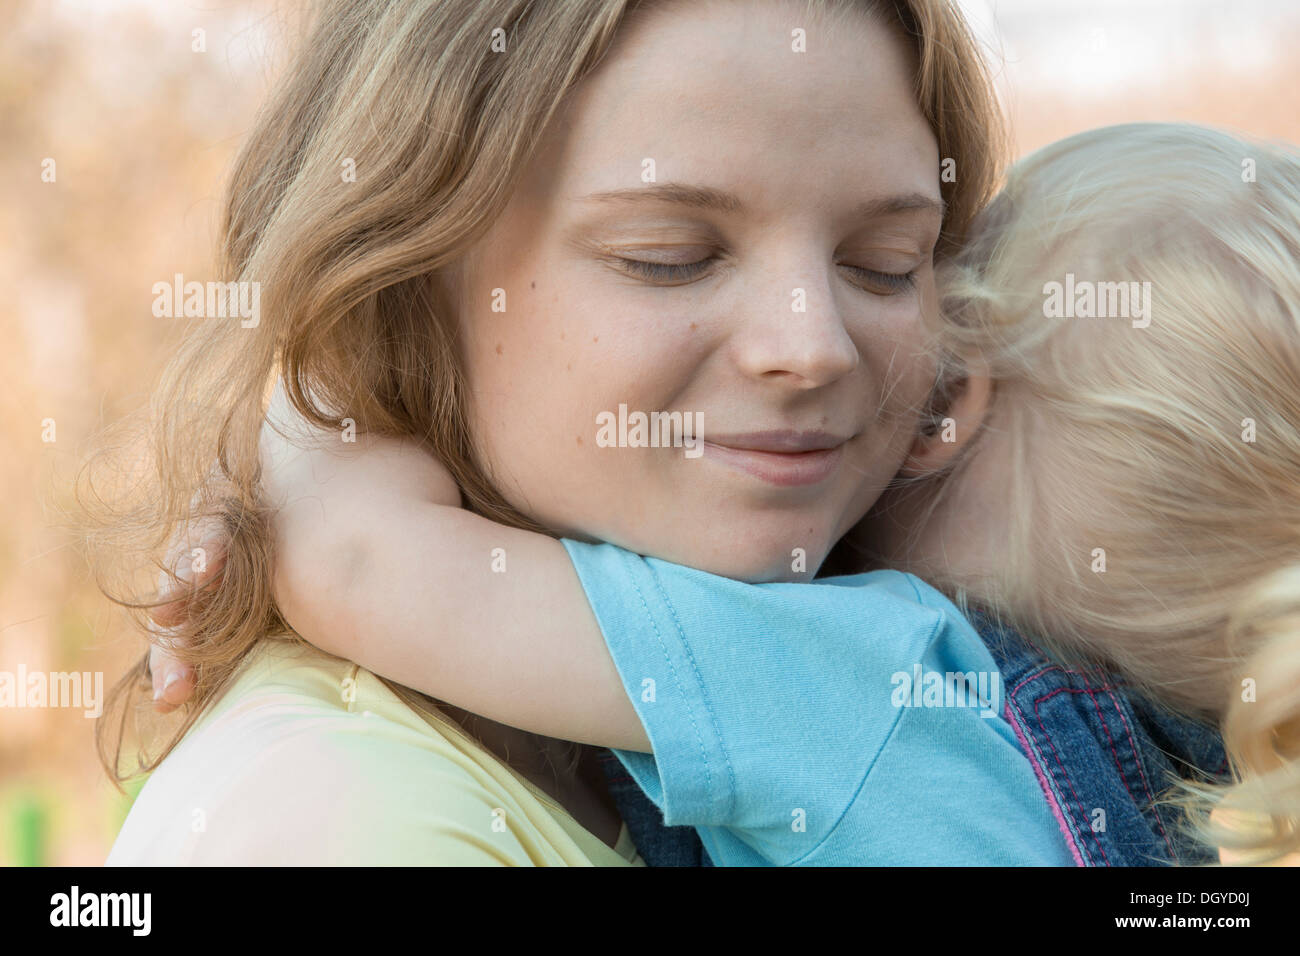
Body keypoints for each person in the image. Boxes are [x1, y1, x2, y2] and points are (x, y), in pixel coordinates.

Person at [86, 0, 1009, 864]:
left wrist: (302, 451)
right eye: (668, 258)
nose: (813, 348)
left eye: (885, 267)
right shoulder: (337, 819)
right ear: (399, 279)